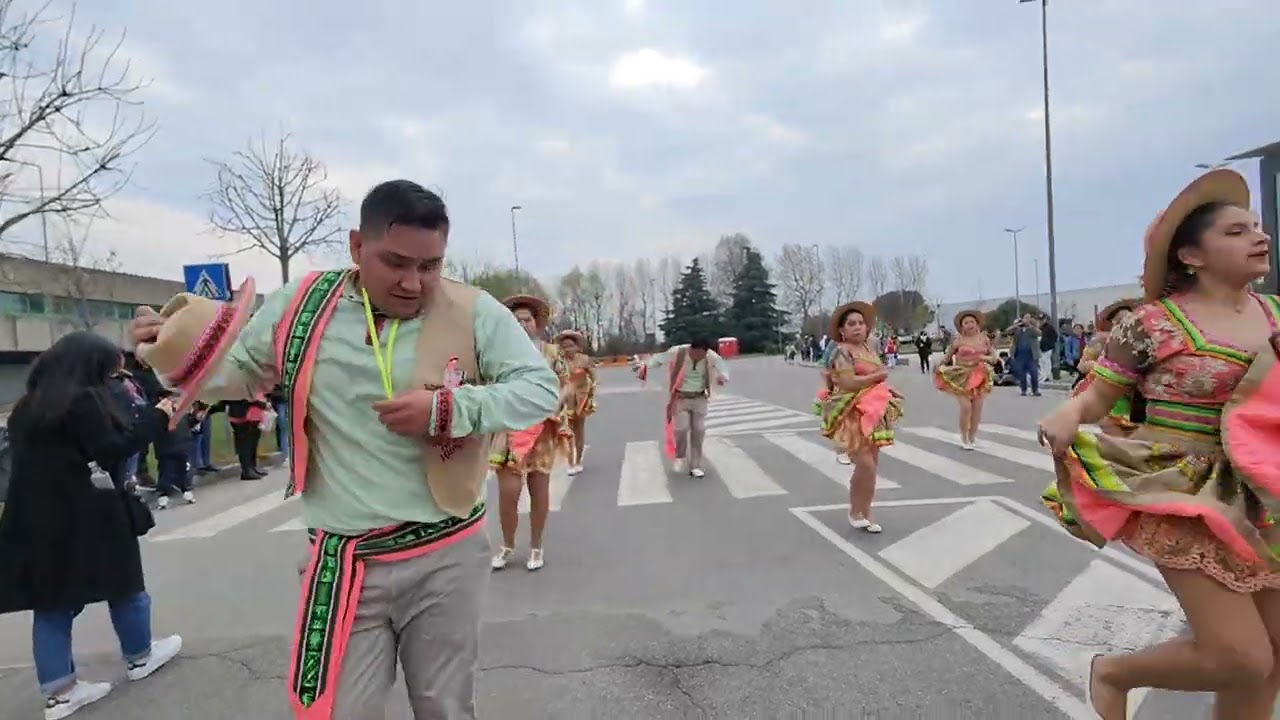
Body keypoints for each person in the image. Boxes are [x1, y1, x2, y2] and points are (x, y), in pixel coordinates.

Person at [129, 179, 560, 720]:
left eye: (430, 266)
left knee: (444, 708)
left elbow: (538, 389)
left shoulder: (474, 310)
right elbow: (237, 375)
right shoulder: (305, 305)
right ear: (358, 247)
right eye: (396, 262)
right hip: (346, 558)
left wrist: (447, 411)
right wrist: (165, 353)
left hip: (446, 553)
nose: (413, 282)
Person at [1038, 169, 1280, 719]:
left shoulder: (1277, 314)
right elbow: (1099, 397)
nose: (1259, 238)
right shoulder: (1151, 324)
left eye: (1258, 228)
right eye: (1237, 231)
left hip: (1265, 493)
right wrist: (1068, 413)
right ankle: (1116, 672)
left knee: (1275, 658)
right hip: (1182, 489)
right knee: (1240, 656)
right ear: (1191, 256)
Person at [0, 332, 183, 720]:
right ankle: (140, 656)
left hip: (33, 516)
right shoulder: (82, 401)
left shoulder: (26, 408)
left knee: (52, 604)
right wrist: (159, 417)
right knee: (125, 584)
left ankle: (60, 693)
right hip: (87, 512)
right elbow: (112, 448)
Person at [489, 297, 573, 572]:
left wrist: (555, 404)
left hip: (541, 429)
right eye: (516, 319)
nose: (522, 324)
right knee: (508, 492)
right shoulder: (497, 352)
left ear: (536, 323)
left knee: (539, 490)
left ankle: (536, 546)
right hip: (509, 428)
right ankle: (507, 544)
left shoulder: (550, 353)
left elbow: (567, 386)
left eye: (527, 319)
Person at [816, 301, 903, 533]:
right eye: (851, 324)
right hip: (850, 413)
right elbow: (847, 383)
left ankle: (867, 511)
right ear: (842, 330)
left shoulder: (868, 350)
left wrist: (887, 388)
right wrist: (876, 379)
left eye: (861, 323)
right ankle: (855, 510)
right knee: (866, 465)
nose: (857, 327)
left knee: (872, 465)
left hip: (874, 412)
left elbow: (877, 378)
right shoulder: (841, 351)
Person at [639, 337, 728, 478]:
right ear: (691, 349)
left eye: (701, 355)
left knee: (699, 430)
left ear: (706, 352)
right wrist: (644, 367)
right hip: (680, 397)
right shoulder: (678, 352)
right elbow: (658, 359)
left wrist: (723, 377)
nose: (698, 358)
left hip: (700, 397)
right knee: (681, 428)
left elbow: (723, 368)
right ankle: (680, 456)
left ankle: (696, 465)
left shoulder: (711, 356)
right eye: (695, 354)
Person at [933, 310, 997, 449]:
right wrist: (939, 365)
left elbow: (994, 358)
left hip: (980, 376)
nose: (969, 325)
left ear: (977, 324)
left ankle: (972, 437)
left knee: (977, 408)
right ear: (962, 326)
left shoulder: (984, 339)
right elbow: (947, 357)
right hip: (961, 376)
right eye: (966, 322)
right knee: (966, 407)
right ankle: (964, 437)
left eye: (972, 322)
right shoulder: (958, 341)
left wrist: (983, 358)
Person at [556, 329, 595, 476]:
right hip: (565, 400)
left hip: (581, 400)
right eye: (564, 346)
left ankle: (578, 460)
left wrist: (589, 396)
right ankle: (570, 462)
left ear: (577, 346)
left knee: (579, 431)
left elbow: (594, 379)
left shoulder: (584, 360)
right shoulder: (559, 362)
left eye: (570, 345)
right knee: (567, 431)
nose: (568, 349)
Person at [153, 389, 196, 509]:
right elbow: (157, 429)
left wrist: (196, 418)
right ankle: (163, 495)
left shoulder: (182, 408)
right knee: (166, 472)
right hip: (166, 447)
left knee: (183, 469)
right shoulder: (159, 411)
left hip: (181, 444)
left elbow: (188, 423)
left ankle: (186, 490)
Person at [226, 394, 268, 480]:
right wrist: (259, 403)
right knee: (245, 444)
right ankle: (247, 470)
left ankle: (252, 467)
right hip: (241, 415)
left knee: (252, 443)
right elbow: (243, 399)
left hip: (251, 415)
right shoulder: (237, 387)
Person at [1006, 312, 1041, 396]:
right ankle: (1023, 390)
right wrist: (1017, 325)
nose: (1027, 320)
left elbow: (1039, 333)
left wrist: (1030, 325)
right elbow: (1007, 331)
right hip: (1020, 355)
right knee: (1022, 374)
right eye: (1026, 318)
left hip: (1032, 355)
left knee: (1034, 372)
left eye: (1029, 318)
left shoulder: (1033, 328)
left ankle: (1035, 390)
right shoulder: (1018, 329)